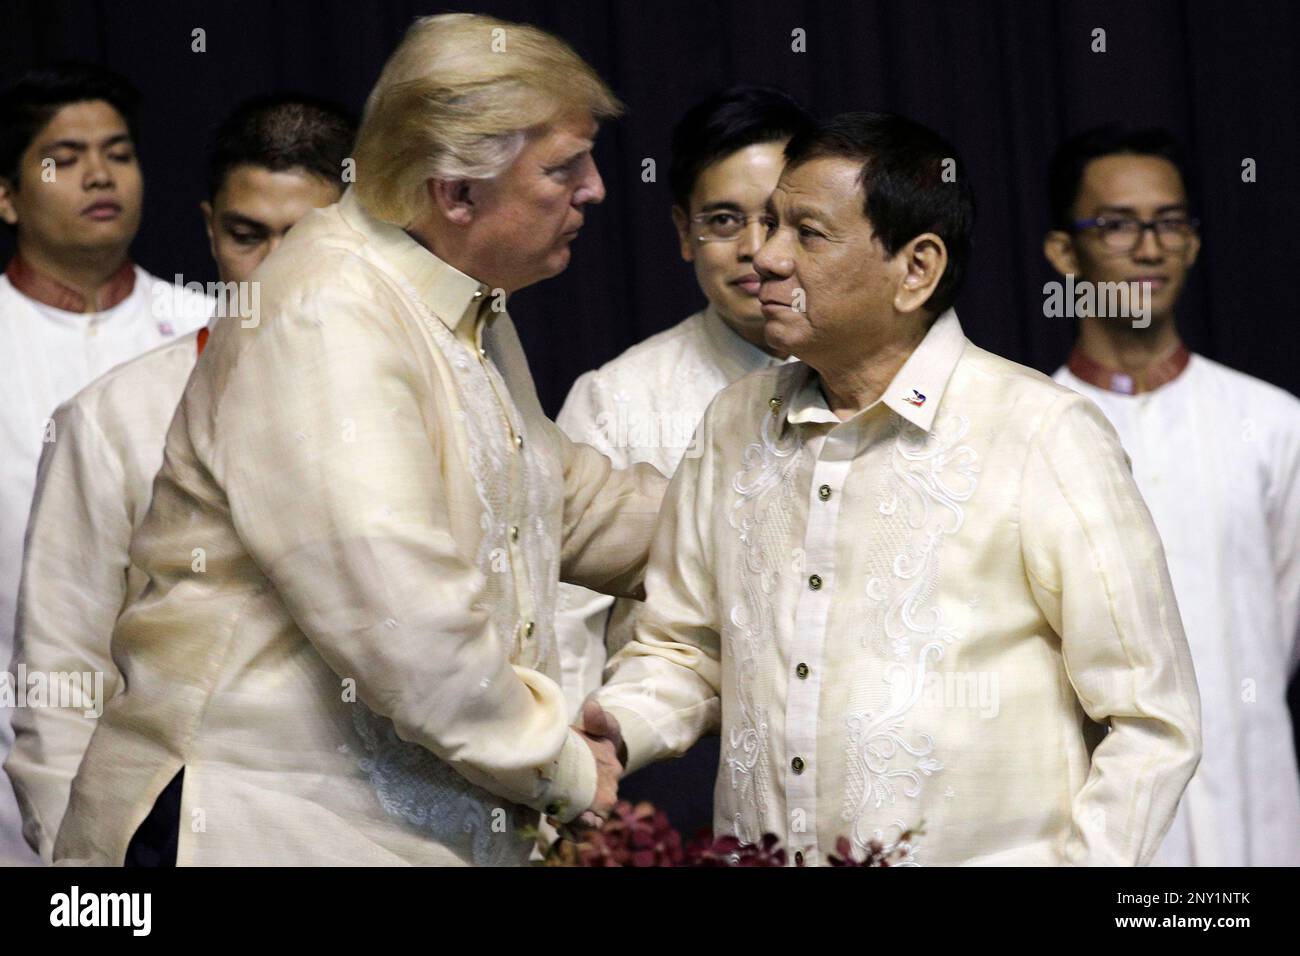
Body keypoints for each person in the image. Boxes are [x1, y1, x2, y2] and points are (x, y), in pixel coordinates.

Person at [53, 12, 664, 866]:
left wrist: (762, 524)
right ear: (455, 192)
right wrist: (561, 764)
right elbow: (402, 616)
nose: (596, 188)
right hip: (248, 831)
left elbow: (562, 499)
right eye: (563, 167)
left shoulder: (449, 298)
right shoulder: (329, 309)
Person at [589, 112, 1202, 866]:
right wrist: (615, 727)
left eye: (806, 234)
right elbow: (681, 646)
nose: (765, 255)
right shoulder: (733, 424)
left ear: (916, 268)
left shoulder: (1041, 432)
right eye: (767, 224)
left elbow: (1151, 719)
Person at [5, 94, 355, 863]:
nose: (273, 269)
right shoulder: (114, 419)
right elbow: (61, 681)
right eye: (246, 236)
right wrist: (95, 876)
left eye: (305, 239)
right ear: (208, 229)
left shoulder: (432, 397)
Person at [1044, 125, 1300, 866]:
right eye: (1118, 224)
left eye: (1170, 222)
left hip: (1252, 795)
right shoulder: (1030, 434)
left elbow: (1277, 620)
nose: (1149, 248)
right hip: (1098, 821)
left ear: (1192, 241)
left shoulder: (1274, 424)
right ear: (1064, 252)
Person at [0, 62, 210, 863]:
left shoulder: (213, 328)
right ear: (7, 196)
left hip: (184, 757)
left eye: (118, 152)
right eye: (64, 157)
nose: (99, 174)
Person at [554, 84, 810, 717]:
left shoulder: (883, 377)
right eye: (724, 220)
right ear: (684, 232)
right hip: (670, 755)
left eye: (778, 218)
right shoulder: (616, 398)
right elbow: (563, 629)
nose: (755, 247)